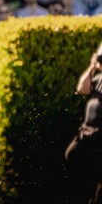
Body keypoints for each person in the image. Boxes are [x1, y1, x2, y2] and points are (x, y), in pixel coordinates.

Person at [66, 42, 102, 203]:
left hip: (99, 136)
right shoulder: (98, 79)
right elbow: (81, 89)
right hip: (86, 133)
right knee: (72, 156)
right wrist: (92, 67)